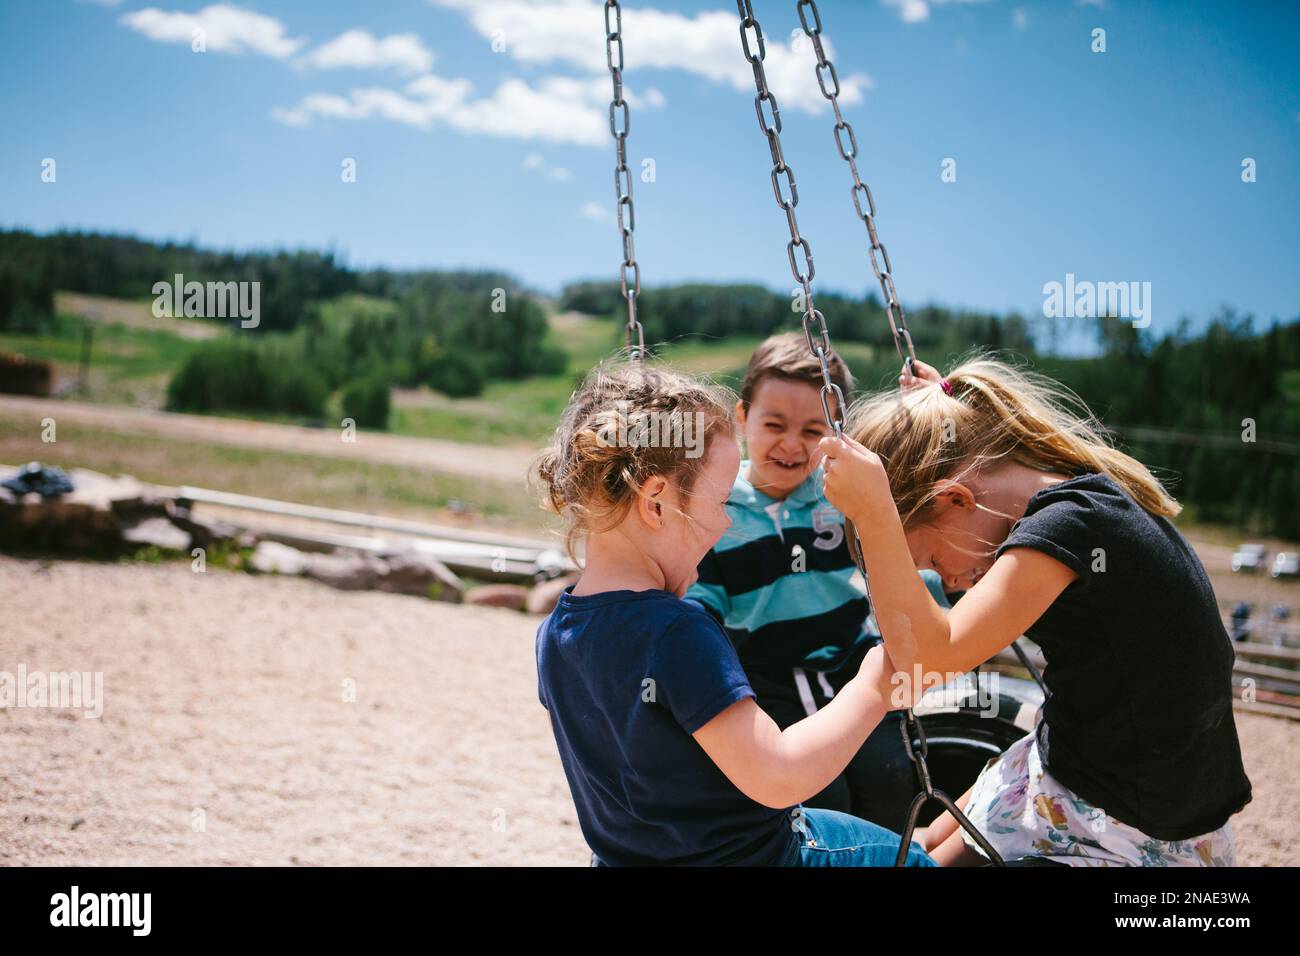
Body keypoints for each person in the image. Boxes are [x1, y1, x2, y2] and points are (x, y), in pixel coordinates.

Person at [818, 354, 1253, 866]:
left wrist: (875, 514)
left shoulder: (1072, 528)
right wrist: (946, 421)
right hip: (1068, 767)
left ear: (956, 498)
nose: (949, 582)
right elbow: (978, 465)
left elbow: (924, 663)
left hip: (1140, 828)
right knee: (920, 852)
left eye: (931, 561)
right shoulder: (1067, 498)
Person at [531, 360, 935, 866]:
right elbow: (779, 776)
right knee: (913, 859)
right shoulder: (677, 632)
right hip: (759, 858)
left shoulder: (556, 632)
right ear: (656, 502)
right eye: (722, 501)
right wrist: (874, 683)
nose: (725, 523)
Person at [684, 333, 947, 831]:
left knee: (895, 778)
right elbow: (702, 608)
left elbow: (909, 488)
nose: (790, 443)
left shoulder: (841, 495)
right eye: (774, 424)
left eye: (811, 430)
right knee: (819, 796)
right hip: (765, 676)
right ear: (743, 420)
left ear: (835, 432)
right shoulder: (718, 510)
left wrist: (928, 406)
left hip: (853, 663)